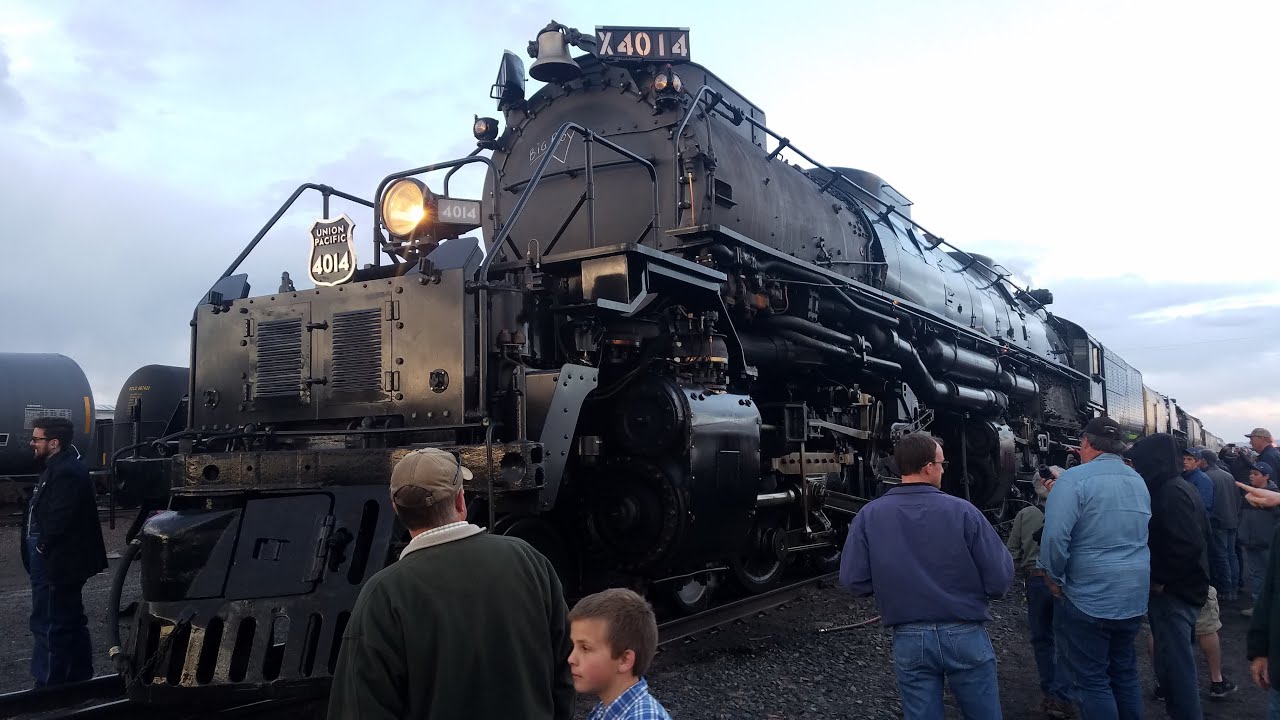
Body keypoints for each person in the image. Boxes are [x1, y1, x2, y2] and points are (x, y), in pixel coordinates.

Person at [327, 448, 574, 719]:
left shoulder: (383, 595)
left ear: (396, 509)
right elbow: (565, 668)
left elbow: (360, 708)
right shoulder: (528, 559)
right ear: (460, 500)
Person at [840, 433, 1013, 719]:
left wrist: (892, 584)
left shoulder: (869, 515)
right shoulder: (964, 512)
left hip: (910, 636)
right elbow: (1000, 578)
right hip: (964, 631)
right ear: (928, 467)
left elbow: (853, 580)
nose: (944, 470)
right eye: (942, 464)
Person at [1037, 416, 1150, 720]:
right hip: (1133, 593)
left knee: (1091, 679)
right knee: (1124, 671)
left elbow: (1055, 538)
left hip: (1090, 594)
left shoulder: (1073, 480)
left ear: (1085, 442)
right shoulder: (1137, 480)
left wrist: (1053, 577)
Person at [20, 416, 108, 688]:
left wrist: (42, 546)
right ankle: (78, 677)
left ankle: (49, 684)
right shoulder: (58, 467)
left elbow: (61, 517)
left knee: (49, 619)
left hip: (56, 560)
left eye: (37, 438)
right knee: (69, 617)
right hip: (57, 557)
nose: (32, 443)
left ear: (54, 443)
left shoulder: (66, 471)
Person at [1126, 433, 1209, 720]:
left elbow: (1187, 546)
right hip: (1186, 588)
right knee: (1173, 663)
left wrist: (1160, 579)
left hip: (1175, 593)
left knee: (1177, 668)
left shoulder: (1170, 493)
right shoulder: (1182, 487)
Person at [1006, 474, 1075, 718]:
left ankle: (1049, 692)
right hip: (1063, 581)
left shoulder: (1025, 514)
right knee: (1066, 639)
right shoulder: (1072, 513)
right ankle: (1063, 695)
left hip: (1035, 580)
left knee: (1042, 639)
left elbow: (1012, 552)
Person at [567, 588, 672, 720]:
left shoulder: (644, 717)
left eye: (585, 648)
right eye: (573, 647)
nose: (571, 659)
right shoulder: (605, 709)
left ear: (624, 660)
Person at [1200, 449, 1241, 601]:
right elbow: (1237, 499)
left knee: (1221, 556)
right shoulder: (1228, 475)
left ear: (1204, 461)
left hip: (1218, 522)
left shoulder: (1206, 477)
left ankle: (1225, 589)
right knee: (1232, 554)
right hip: (1232, 520)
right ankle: (1234, 586)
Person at [1240, 462, 1280, 616]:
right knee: (1256, 575)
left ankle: (1269, 609)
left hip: (1266, 542)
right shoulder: (1247, 493)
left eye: (1256, 474)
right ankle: (1258, 607)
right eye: (1251, 473)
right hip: (1251, 541)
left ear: (1266, 476)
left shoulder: (1274, 495)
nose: (1251, 476)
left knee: (1270, 575)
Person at [1182, 447, 1215, 518]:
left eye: (1189, 459)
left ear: (1197, 462)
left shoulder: (1202, 479)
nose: (1185, 462)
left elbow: (1205, 506)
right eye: (1183, 459)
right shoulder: (1184, 476)